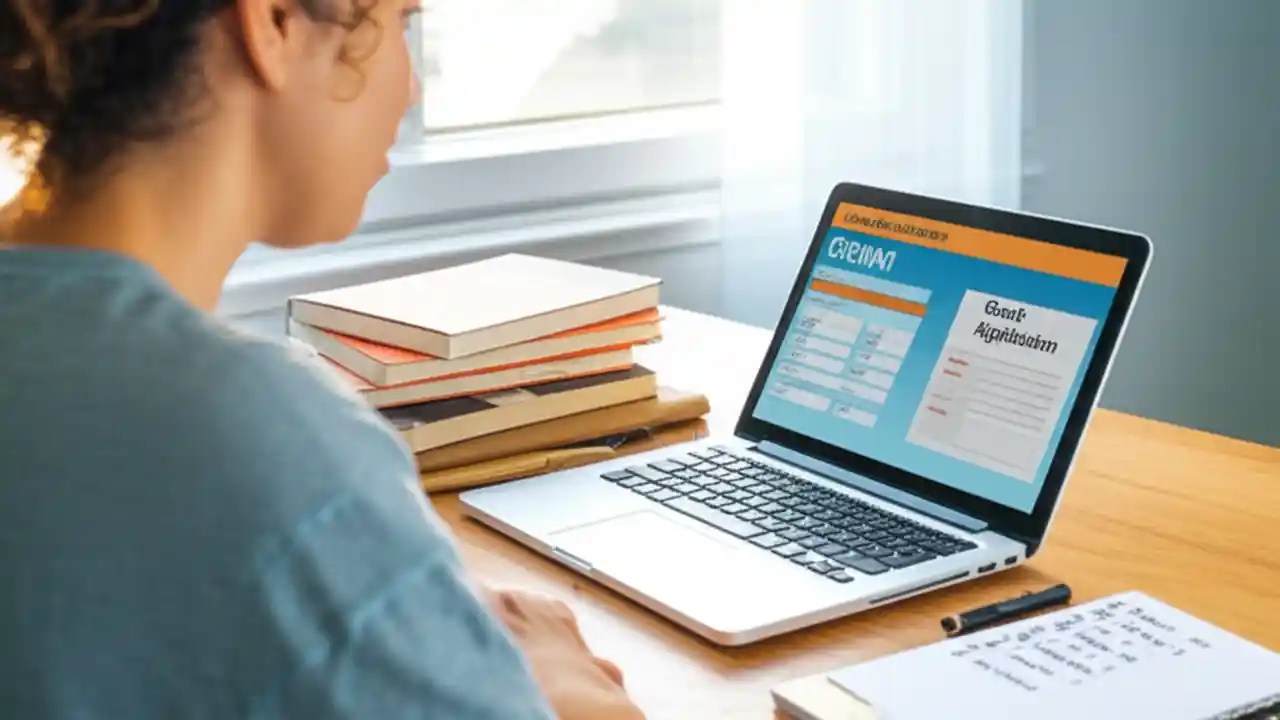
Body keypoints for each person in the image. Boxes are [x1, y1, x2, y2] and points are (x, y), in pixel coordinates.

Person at [0, 1, 643, 718]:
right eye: (402, 18)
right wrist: (566, 682)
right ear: (272, 22)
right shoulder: (250, 425)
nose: (412, 88)